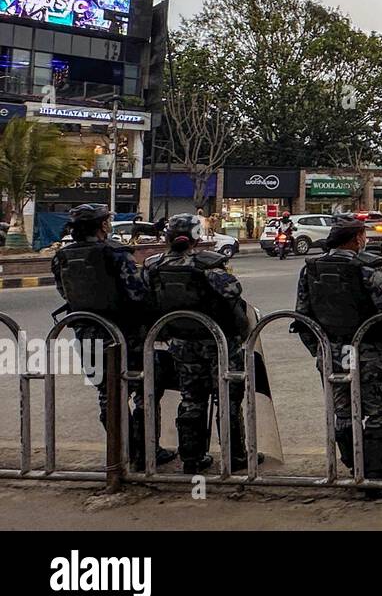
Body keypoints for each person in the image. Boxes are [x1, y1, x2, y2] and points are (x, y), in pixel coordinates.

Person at [50, 203, 176, 471]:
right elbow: (137, 294)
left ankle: (121, 451)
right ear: (102, 226)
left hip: (86, 332)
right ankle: (145, 451)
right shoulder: (116, 253)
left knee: (107, 394)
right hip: (124, 333)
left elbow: (65, 293)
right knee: (145, 388)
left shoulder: (61, 257)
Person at [294, 216, 382, 493]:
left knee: (342, 410)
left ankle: (354, 468)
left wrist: (318, 349)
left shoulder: (311, 270)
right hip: (369, 351)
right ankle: (374, 474)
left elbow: (303, 315)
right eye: (363, 236)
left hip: (332, 351)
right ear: (356, 240)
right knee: (380, 410)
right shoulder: (365, 270)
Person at [143, 214, 254, 474]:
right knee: (228, 398)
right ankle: (234, 456)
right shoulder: (208, 264)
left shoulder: (153, 266)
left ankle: (191, 458)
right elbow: (232, 292)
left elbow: (147, 299)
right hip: (218, 343)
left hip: (181, 342)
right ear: (195, 236)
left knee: (191, 399)